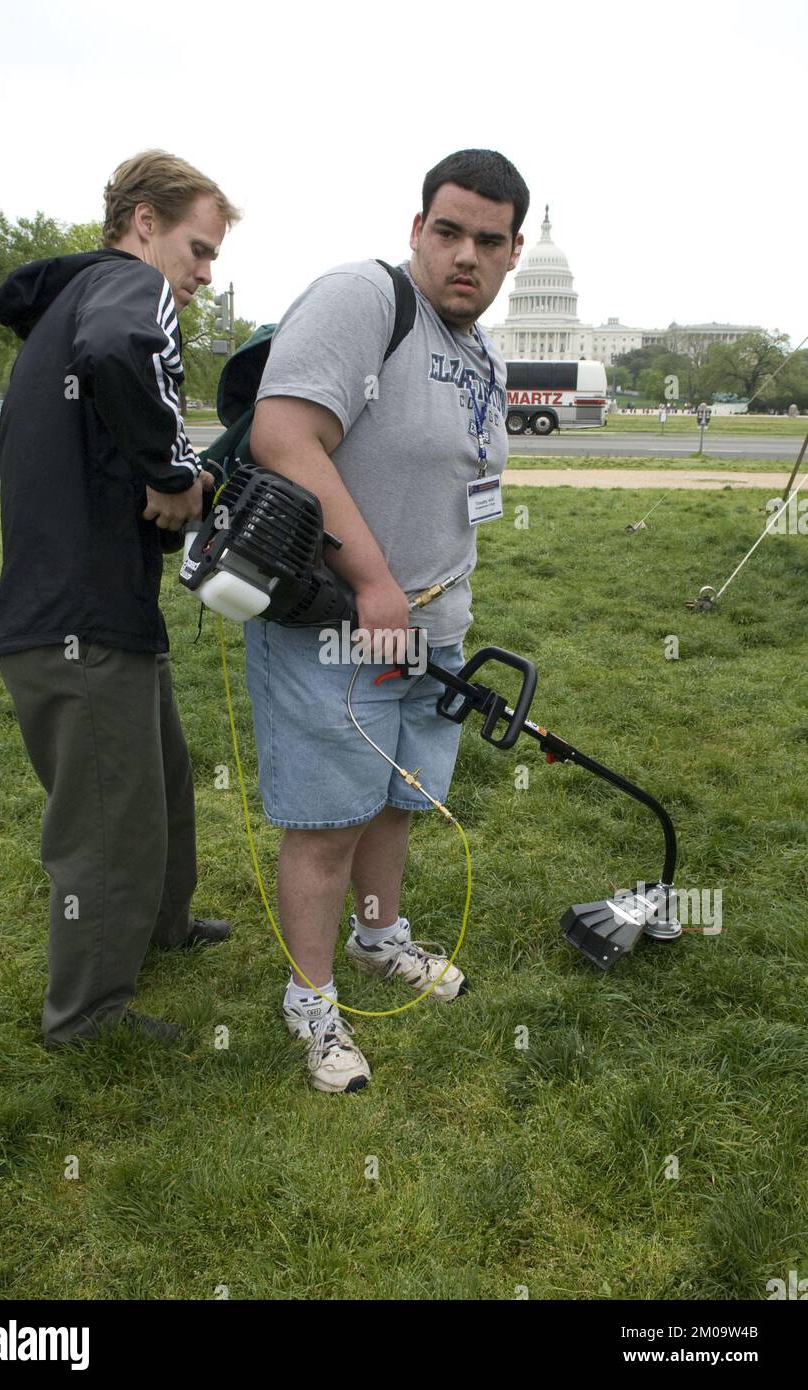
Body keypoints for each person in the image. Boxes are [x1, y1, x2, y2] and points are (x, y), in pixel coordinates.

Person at [246, 148, 529, 1092]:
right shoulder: (363, 300)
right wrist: (373, 582)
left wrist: (434, 602)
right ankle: (312, 1002)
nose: (465, 255)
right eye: (447, 231)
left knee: (398, 799)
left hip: (432, 628)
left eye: (488, 241)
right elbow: (284, 435)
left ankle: (378, 940)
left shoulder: (481, 351)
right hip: (339, 618)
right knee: (327, 818)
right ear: (417, 230)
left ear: (513, 252)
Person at [0, 151, 240, 1048]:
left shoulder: (69, 304)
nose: (205, 275)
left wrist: (169, 501)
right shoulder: (129, 291)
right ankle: (87, 1015)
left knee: (161, 785)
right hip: (74, 620)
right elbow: (119, 355)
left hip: (98, 610)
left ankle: (163, 929)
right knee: (106, 822)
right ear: (144, 223)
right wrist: (175, 472)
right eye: (199, 249)